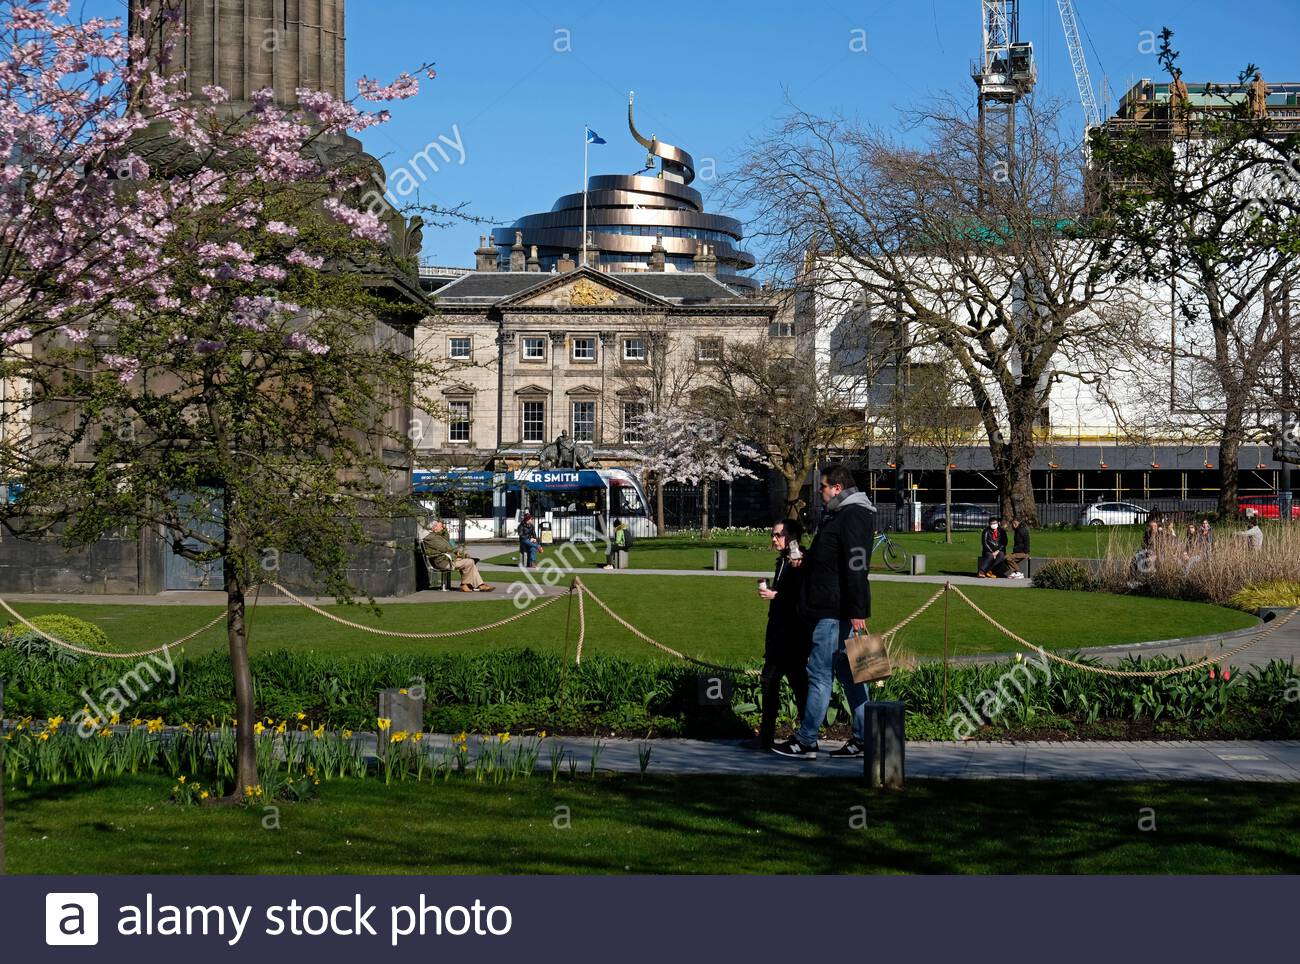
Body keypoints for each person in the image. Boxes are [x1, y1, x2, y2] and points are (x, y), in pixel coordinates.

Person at [772, 464, 874, 761]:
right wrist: (808, 559)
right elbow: (837, 559)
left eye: (824, 486)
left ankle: (806, 740)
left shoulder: (852, 515)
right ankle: (863, 738)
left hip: (835, 610)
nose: (821, 490)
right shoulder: (842, 514)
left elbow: (857, 565)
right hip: (834, 606)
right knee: (850, 674)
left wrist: (857, 610)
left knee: (819, 673)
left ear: (838, 488)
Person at [751, 518, 812, 750]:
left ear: (790, 537)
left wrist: (775, 596)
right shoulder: (785, 561)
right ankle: (768, 736)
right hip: (779, 633)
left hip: (792, 635)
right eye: (773, 534)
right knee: (775, 683)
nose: (774, 539)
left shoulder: (799, 561)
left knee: (791, 684)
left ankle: (805, 736)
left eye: (778, 534)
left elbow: (802, 597)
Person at [422, 520, 494, 593]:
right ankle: (466, 584)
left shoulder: (435, 536)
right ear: (434, 528)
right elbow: (446, 547)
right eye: (441, 526)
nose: (442, 528)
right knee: (469, 562)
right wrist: (459, 553)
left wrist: (445, 530)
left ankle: (479, 585)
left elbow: (446, 540)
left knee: (469, 562)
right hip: (442, 562)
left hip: (445, 559)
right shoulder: (431, 537)